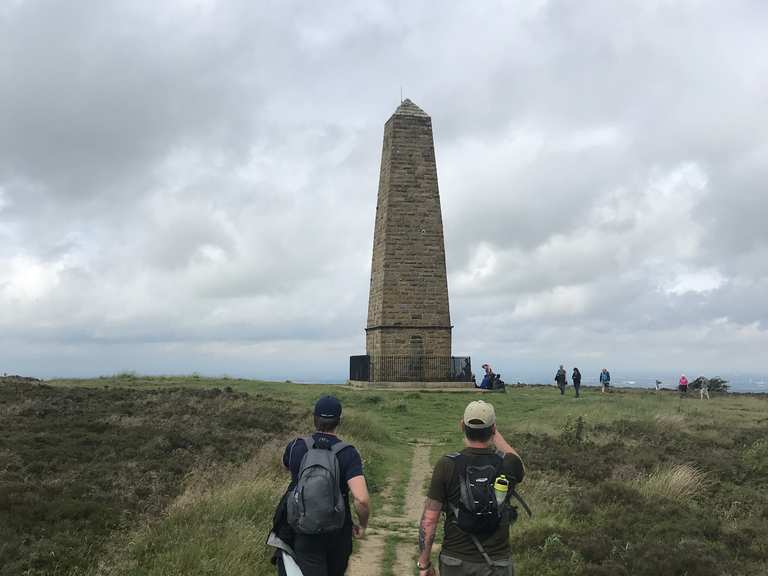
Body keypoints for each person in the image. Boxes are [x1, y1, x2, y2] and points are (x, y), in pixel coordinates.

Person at [417, 400, 525, 576]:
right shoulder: (509, 464)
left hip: (455, 561)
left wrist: (424, 563)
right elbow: (519, 464)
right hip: (497, 562)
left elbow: (429, 520)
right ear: (493, 429)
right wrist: (494, 433)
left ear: (462, 426)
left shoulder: (447, 465)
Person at [281, 396, 370, 576]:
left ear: (314, 418)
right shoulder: (348, 453)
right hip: (338, 531)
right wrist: (362, 524)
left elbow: (285, 467)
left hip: (303, 528)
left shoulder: (296, 446)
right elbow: (361, 499)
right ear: (339, 421)